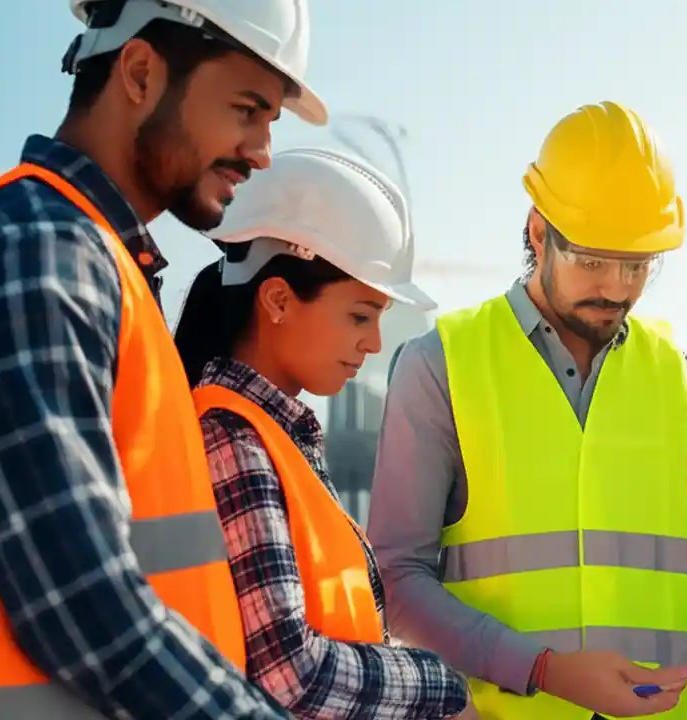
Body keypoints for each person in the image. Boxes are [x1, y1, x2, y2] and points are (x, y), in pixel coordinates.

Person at [367, 100, 687, 720]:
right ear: (539, 232)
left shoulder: (676, 380)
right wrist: (543, 670)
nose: (617, 287)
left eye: (637, 265)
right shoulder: (439, 366)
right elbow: (396, 581)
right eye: (592, 261)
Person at [0, 1, 324, 717]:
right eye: (247, 109)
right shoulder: (39, 249)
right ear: (139, 72)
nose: (262, 152)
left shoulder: (99, 261)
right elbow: (82, 604)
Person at [172, 148, 470, 719]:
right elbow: (290, 674)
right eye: (360, 315)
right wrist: (442, 686)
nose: (374, 343)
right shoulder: (234, 442)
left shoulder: (274, 439)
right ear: (278, 299)